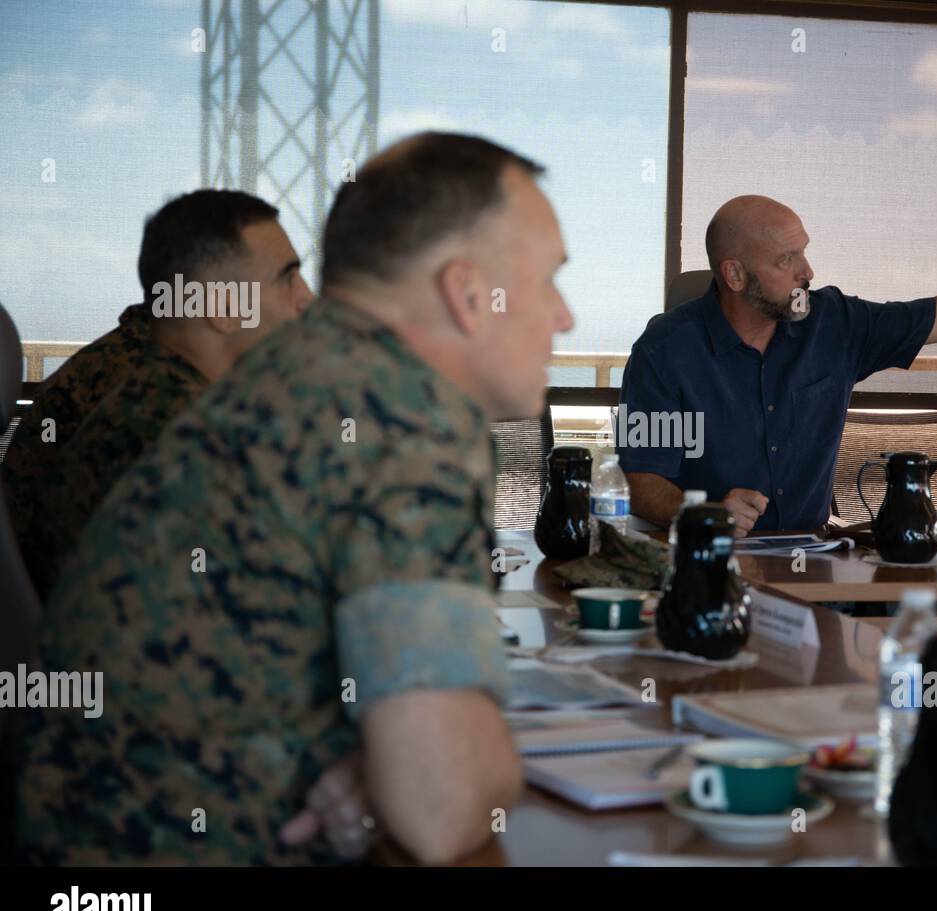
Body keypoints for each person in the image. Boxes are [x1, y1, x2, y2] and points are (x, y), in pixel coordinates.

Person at [18, 132, 572, 864]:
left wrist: (375, 763)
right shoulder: (395, 412)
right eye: (549, 281)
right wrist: (436, 759)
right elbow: (447, 808)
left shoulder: (301, 375)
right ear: (468, 294)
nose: (563, 317)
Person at [617, 194, 937, 534]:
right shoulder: (665, 353)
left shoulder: (833, 323)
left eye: (804, 252)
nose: (808, 270)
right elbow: (643, 485)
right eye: (786, 261)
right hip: (706, 565)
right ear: (733, 275)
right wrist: (704, 514)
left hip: (815, 562)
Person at [20, 189, 314, 599]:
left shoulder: (159, 406)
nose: (308, 298)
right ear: (225, 309)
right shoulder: (183, 443)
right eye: (287, 278)